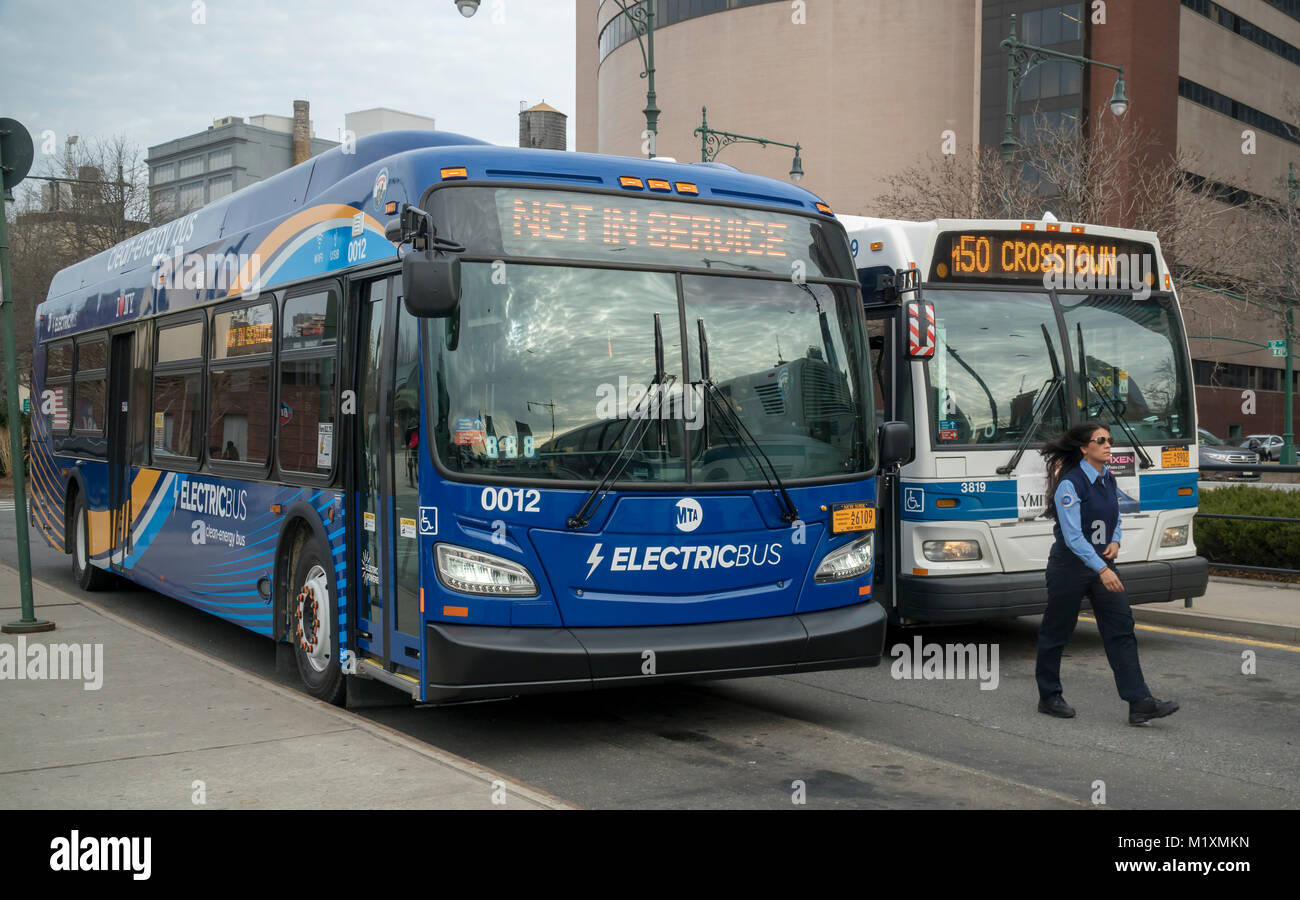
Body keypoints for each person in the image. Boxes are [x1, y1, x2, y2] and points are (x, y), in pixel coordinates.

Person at [1035, 422, 1179, 726]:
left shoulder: (1108, 479)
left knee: (1121, 629)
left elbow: (1115, 516)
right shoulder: (1070, 484)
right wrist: (1102, 569)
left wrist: (1115, 540)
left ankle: (1139, 702)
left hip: (1102, 565)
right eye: (1101, 440)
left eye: (1110, 440)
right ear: (1085, 448)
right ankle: (1049, 696)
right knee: (1057, 632)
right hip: (1069, 568)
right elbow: (1073, 537)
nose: (1108, 445)